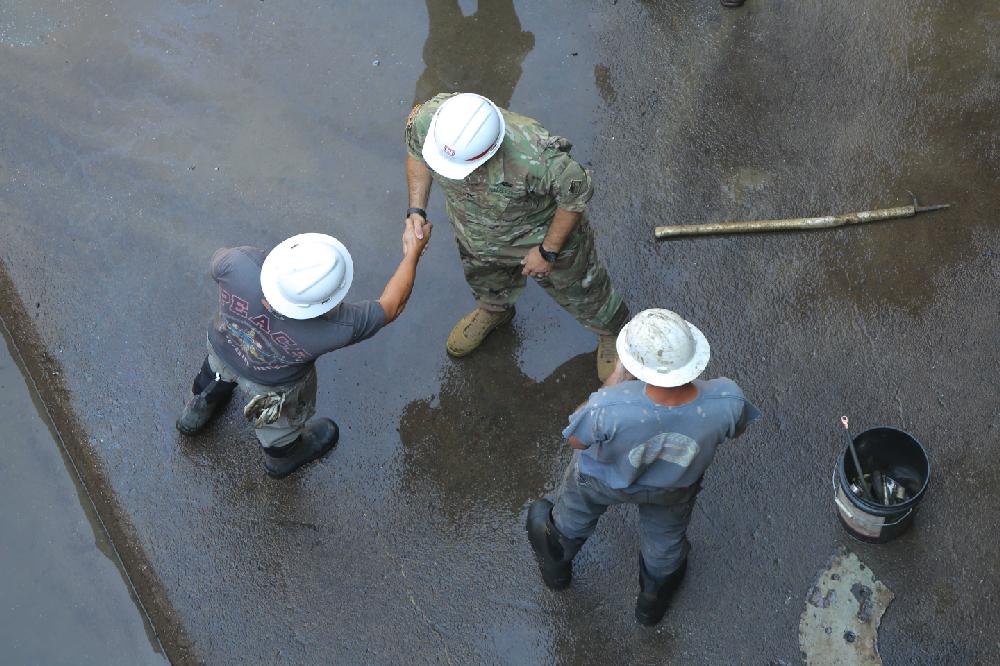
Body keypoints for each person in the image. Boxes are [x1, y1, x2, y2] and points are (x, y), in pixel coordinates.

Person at [525, 309, 761, 625]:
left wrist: (616, 378)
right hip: (673, 489)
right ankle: (653, 600)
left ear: (636, 366)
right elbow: (738, 428)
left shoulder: (606, 407)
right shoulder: (728, 399)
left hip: (600, 481)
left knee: (572, 516)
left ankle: (556, 561)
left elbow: (577, 441)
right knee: (665, 540)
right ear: (691, 359)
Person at [176, 222, 432, 478]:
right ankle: (283, 457)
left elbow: (216, 262)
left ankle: (196, 411)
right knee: (279, 423)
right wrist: (413, 253)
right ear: (325, 301)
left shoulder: (237, 263)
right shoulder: (336, 326)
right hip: (272, 385)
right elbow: (391, 306)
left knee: (215, 374)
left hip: (224, 347)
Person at [404, 92, 629, 381]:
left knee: (580, 287)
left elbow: (576, 195)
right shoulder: (430, 122)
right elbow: (415, 151)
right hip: (475, 234)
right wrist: (416, 210)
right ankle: (494, 309)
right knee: (484, 278)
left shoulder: (536, 155)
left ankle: (610, 331)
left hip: (536, 236)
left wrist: (548, 251)